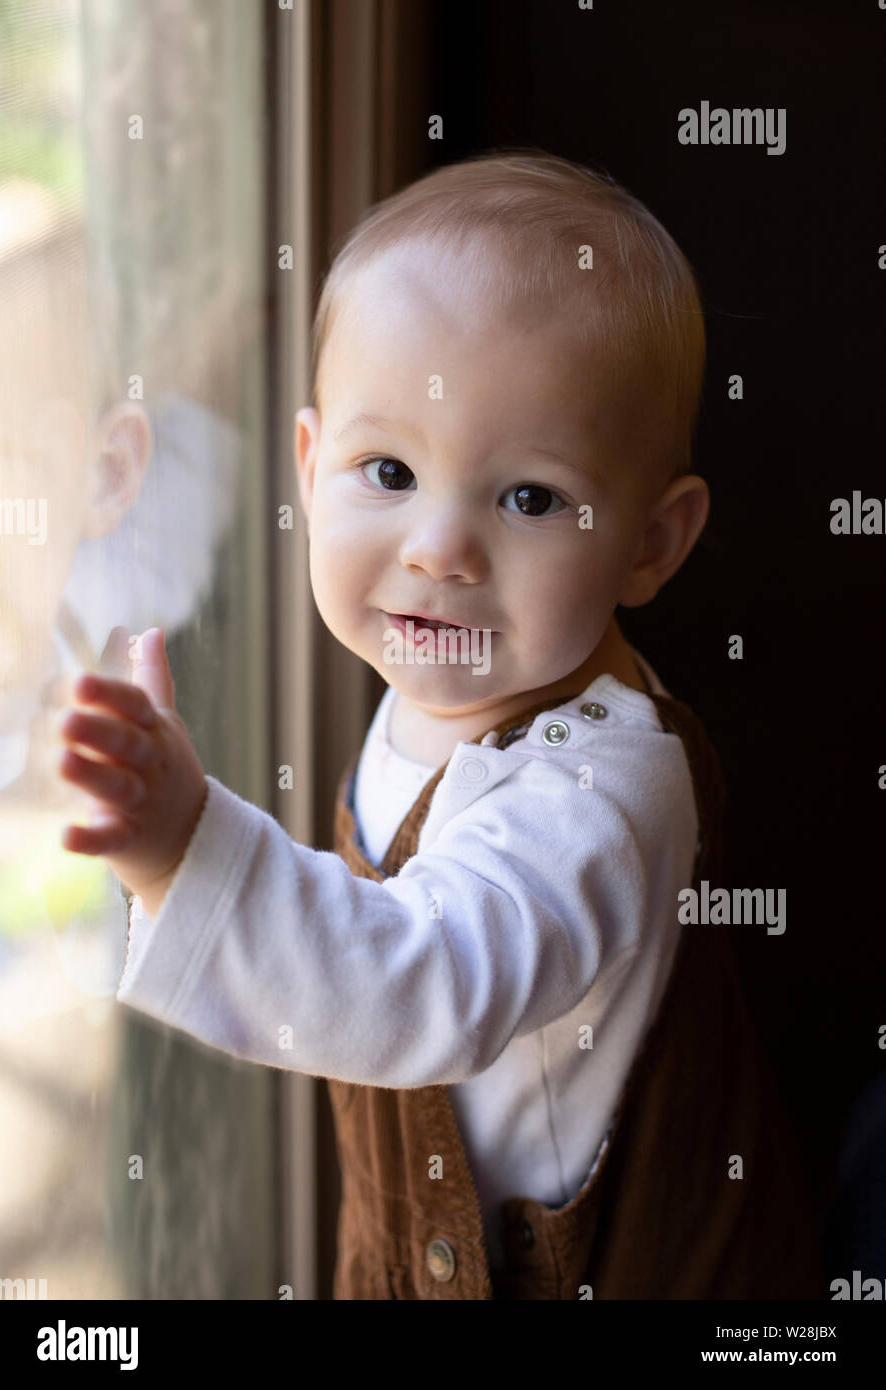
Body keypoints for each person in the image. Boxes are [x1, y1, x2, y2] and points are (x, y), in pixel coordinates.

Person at [55, 150, 824, 1299]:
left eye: (526, 497)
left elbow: (425, 983)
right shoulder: (459, 669)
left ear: (651, 544)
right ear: (310, 469)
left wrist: (187, 850)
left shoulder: (604, 793)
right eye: (388, 469)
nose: (437, 549)